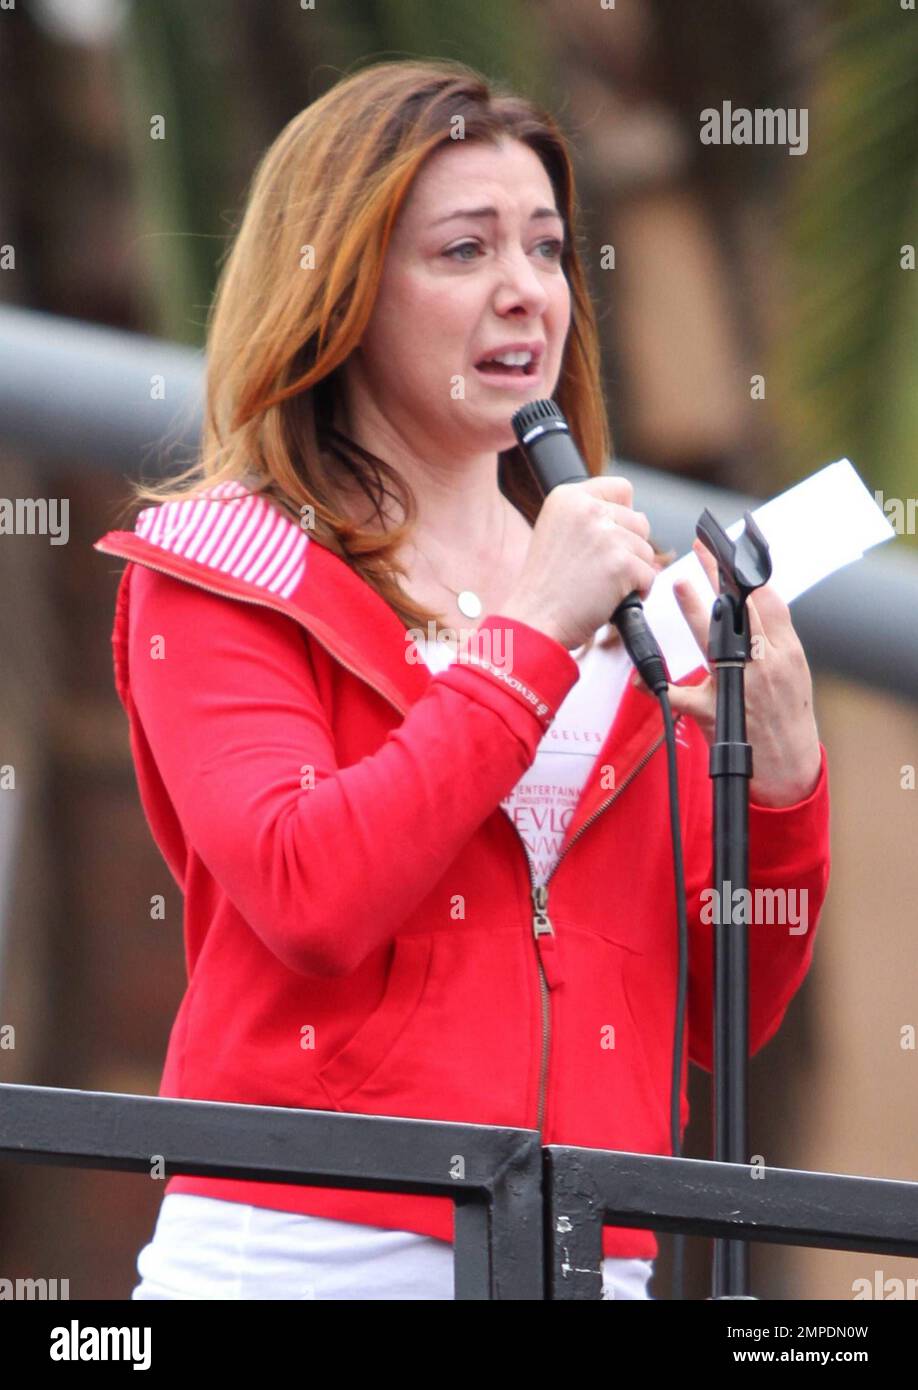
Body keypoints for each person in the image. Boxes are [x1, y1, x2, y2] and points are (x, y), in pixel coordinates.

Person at [94, 58, 830, 1300]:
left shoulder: (631, 604)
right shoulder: (224, 566)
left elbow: (715, 1021)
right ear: (339, 287)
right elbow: (308, 891)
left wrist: (786, 786)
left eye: (546, 250)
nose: (525, 293)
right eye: (463, 251)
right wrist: (529, 639)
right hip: (306, 1255)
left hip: (588, 1252)